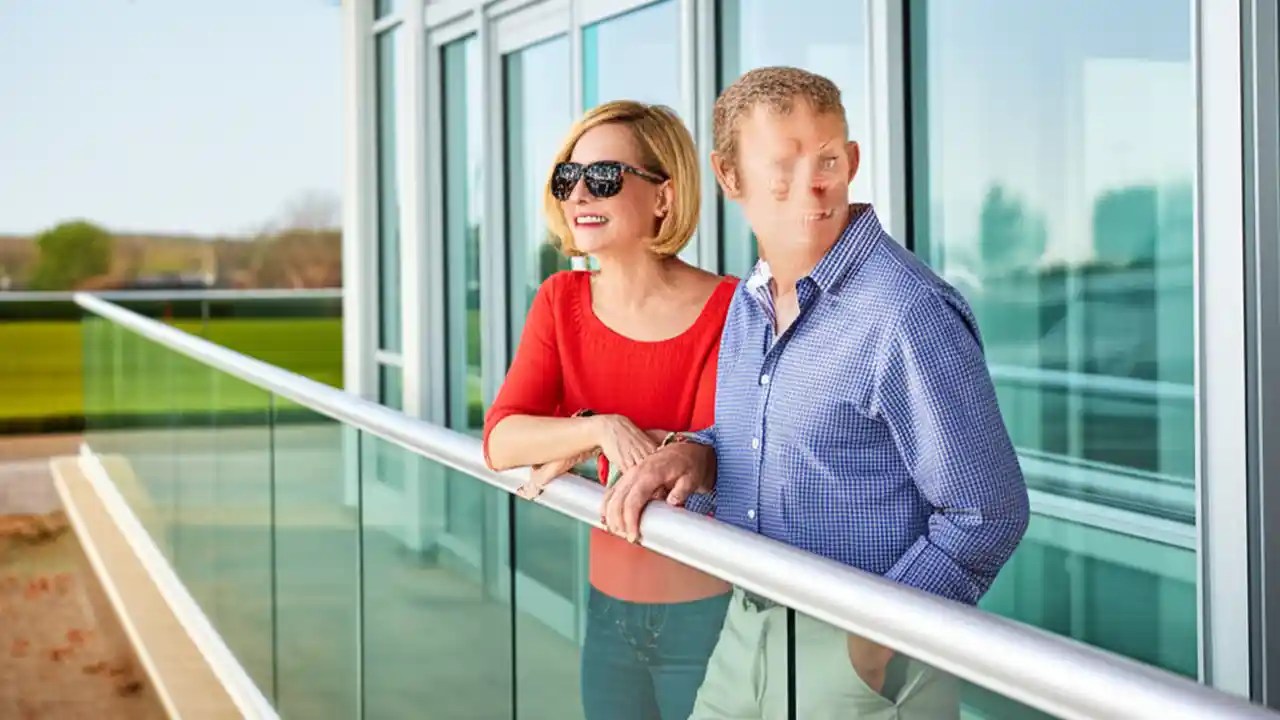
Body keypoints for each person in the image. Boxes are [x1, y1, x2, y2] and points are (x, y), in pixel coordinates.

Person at [601, 67, 1031, 719]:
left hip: (861, 658)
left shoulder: (906, 312)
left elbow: (987, 512)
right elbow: (773, 442)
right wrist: (697, 453)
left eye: (829, 157)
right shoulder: (748, 303)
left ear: (853, 160)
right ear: (730, 177)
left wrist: (873, 642)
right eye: (783, 165)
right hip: (745, 628)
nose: (815, 183)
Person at [483, 100, 737, 720]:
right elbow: (500, 442)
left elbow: (703, 467)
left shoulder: (733, 308)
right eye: (568, 178)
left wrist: (571, 440)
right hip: (607, 612)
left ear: (663, 196)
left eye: (603, 177)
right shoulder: (559, 300)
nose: (578, 194)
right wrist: (600, 428)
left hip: (713, 618)